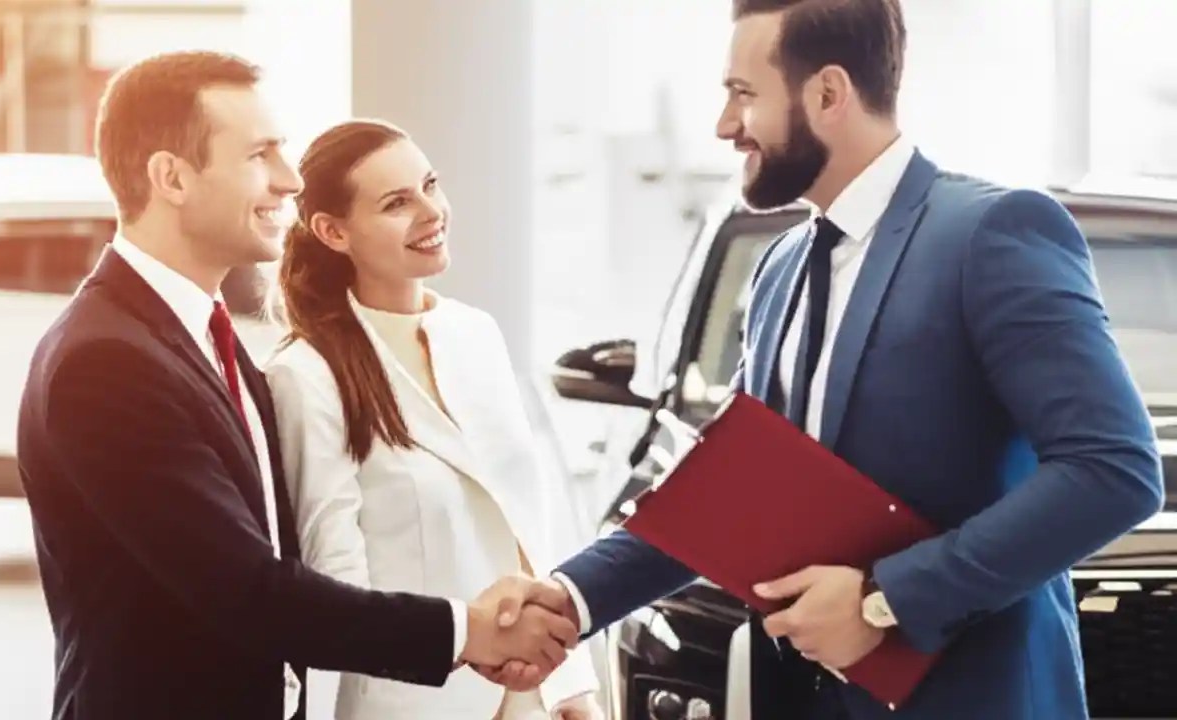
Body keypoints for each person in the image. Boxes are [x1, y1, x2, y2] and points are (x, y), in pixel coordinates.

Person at [495, 1, 1165, 719]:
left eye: (743, 95)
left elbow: (1113, 470)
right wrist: (568, 599)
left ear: (827, 94)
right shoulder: (780, 268)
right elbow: (737, 495)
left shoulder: (991, 234)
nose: (725, 126)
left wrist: (883, 601)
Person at [16, 51, 576, 720]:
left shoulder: (200, 337)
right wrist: (468, 630)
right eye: (260, 156)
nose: (288, 181)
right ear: (171, 177)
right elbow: (248, 592)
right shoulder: (105, 361)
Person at [262, 119, 603, 720]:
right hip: (409, 705)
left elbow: (527, 525)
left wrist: (573, 687)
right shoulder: (306, 375)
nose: (431, 212)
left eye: (430, 185)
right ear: (332, 231)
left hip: (530, 698)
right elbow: (335, 584)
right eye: (397, 203)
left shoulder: (475, 334)